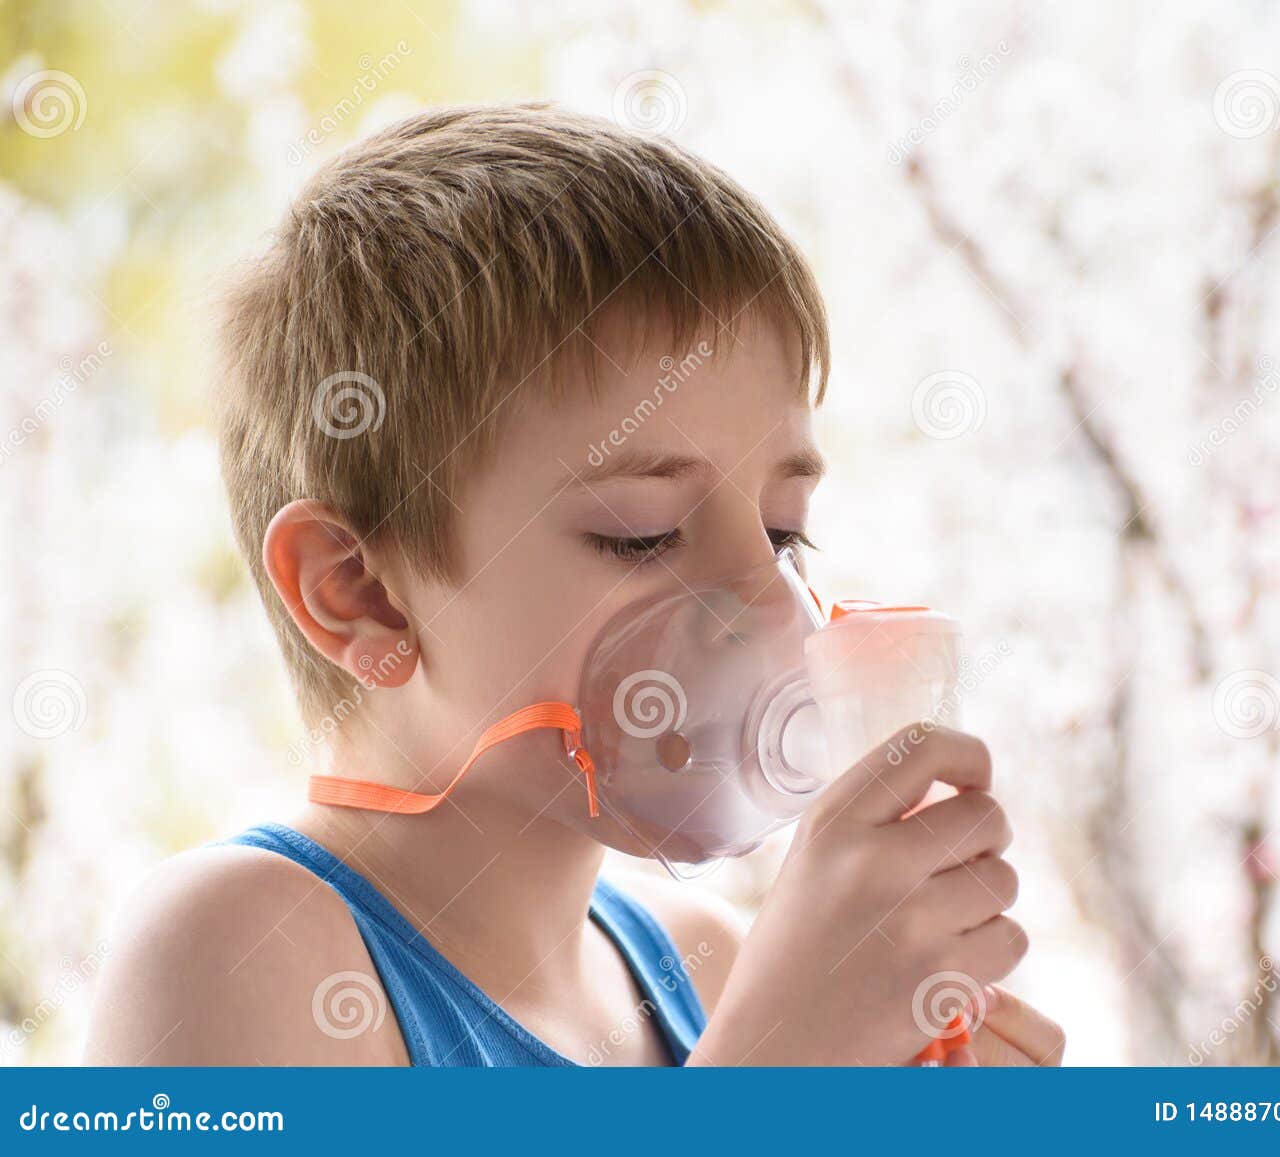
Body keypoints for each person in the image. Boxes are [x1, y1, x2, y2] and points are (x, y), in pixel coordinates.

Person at [84, 103, 1063, 1068]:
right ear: (359, 592)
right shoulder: (234, 948)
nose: (769, 606)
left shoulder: (705, 963)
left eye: (781, 532)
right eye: (641, 535)